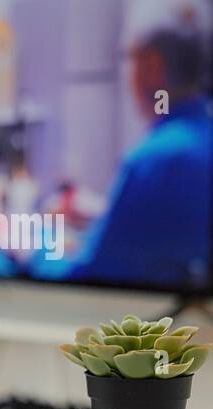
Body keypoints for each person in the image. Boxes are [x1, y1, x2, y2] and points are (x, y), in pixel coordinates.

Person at [33, 0, 212, 288]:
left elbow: (85, 277)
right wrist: (104, 213)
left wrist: (32, 245)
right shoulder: (200, 137)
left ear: (152, 65)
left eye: (130, 57)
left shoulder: (156, 160)